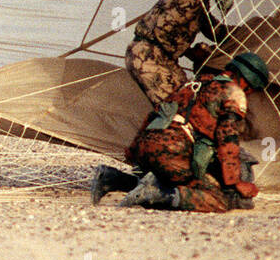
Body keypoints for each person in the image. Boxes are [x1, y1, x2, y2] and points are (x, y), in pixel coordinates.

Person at [93, 52, 270, 212]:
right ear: (248, 83)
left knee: (168, 177)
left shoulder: (196, 82)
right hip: (173, 152)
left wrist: (133, 151)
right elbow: (227, 138)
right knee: (218, 199)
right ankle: (158, 195)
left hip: (146, 147)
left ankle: (112, 178)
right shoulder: (234, 92)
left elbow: (156, 112)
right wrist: (235, 182)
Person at [125, 0, 233, 108]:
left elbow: (209, 27)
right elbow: (164, 30)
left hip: (154, 55)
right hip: (149, 57)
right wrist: (191, 53)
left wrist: (238, 35)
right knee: (179, 106)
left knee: (187, 98)